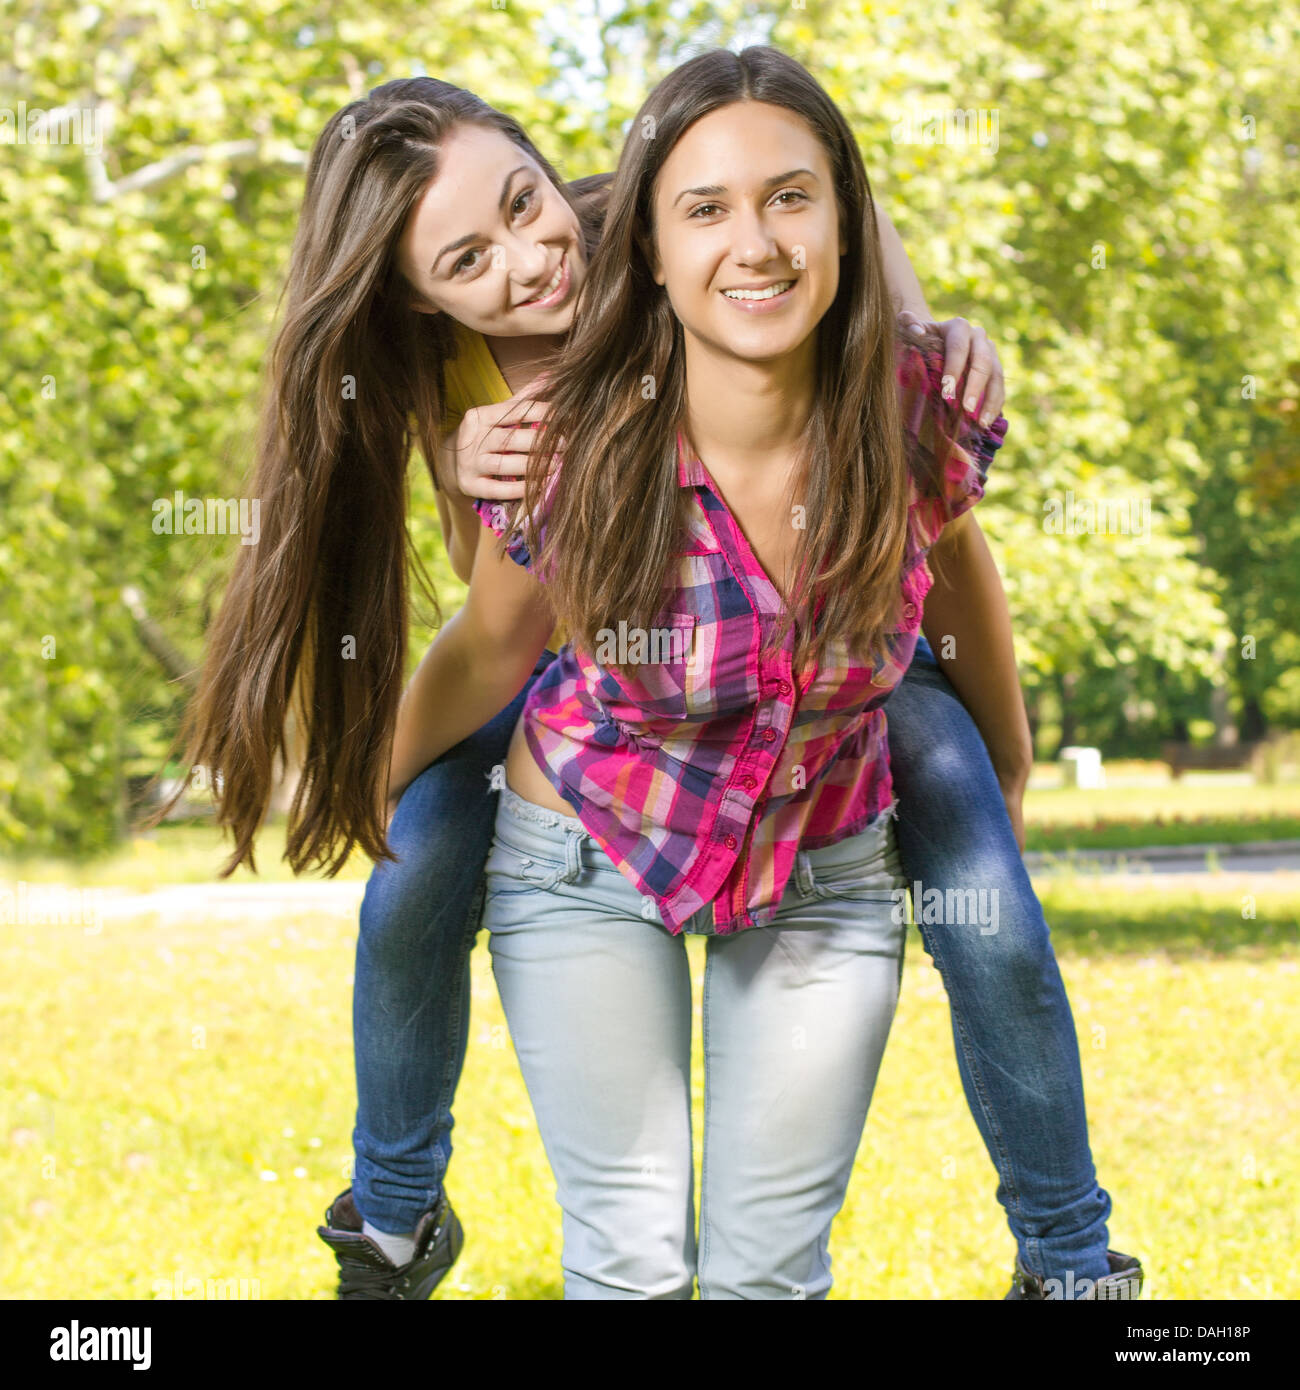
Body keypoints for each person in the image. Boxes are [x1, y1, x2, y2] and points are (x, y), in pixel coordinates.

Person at [158, 66, 1140, 1298]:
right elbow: (497, 619)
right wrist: (461, 491)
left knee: (976, 856)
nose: (529, 262)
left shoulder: (679, 224)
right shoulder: (465, 388)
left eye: (524, 204)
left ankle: (1068, 1256)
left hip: (823, 653)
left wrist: (926, 340)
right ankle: (393, 1217)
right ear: (418, 298)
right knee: (417, 863)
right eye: (467, 262)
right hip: (591, 676)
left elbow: (902, 445)